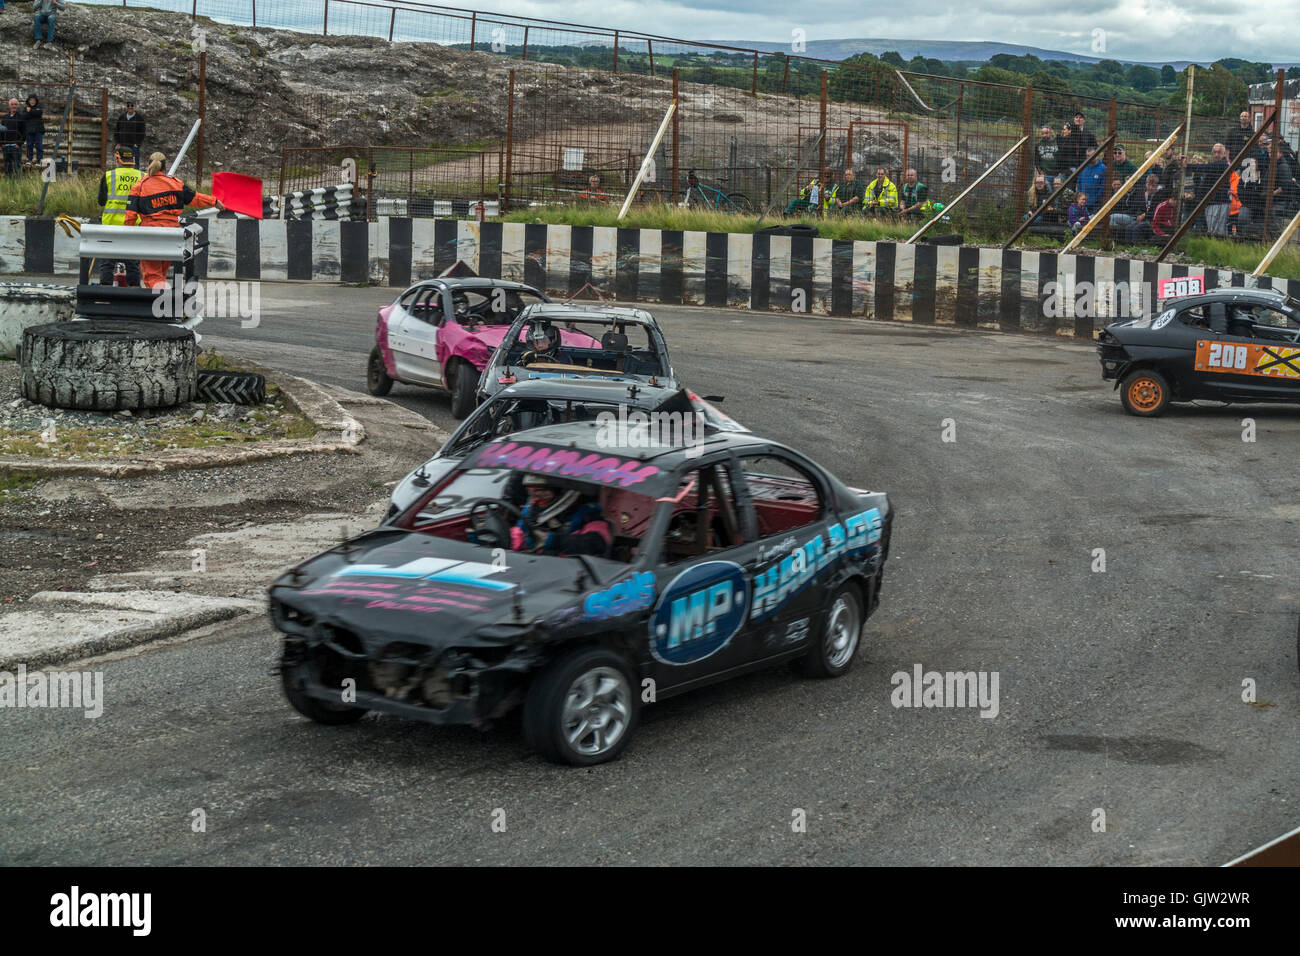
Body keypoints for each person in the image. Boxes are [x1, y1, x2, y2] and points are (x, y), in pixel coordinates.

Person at [124, 151, 221, 289]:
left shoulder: (140, 186)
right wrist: (214, 201)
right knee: (161, 273)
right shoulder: (176, 183)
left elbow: (130, 216)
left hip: (150, 235)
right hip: (172, 235)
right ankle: (163, 303)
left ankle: (160, 304)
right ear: (165, 167)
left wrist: (128, 235)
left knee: (152, 275)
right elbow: (195, 198)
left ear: (148, 164)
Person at [510, 475, 612, 557]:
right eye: (532, 492)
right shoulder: (528, 510)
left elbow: (597, 542)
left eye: (541, 492)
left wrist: (554, 541)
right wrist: (513, 539)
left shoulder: (589, 514)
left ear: (563, 491)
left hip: (569, 574)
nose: (536, 498)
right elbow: (518, 533)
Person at [97, 147, 144, 286]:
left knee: (107, 262)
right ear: (133, 159)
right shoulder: (142, 176)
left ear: (118, 159)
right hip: (133, 227)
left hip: (111, 226)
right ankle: (134, 293)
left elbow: (101, 201)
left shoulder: (108, 176)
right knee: (132, 263)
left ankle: (104, 294)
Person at [114, 100, 146, 168]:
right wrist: (118, 143)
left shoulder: (139, 118)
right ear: (126, 106)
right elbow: (116, 130)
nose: (130, 107)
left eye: (132, 105)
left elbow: (142, 133)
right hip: (122, 146)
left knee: (135, 165)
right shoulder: (121, 117)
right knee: (121, 164)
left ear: (135, 106)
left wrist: (137, 144)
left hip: (133, 147)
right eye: (128, 105)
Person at [0, 99, 23, 176]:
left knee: (17, 165)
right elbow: (1, 131)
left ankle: (19, 183)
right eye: (12, 104)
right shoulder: (5, 117)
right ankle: (8, 182)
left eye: (16, 104)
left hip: (15, 146)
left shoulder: (21, 117)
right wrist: (2, 143)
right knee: (7, 166)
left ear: (18, 106)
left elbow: (25, 132)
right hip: (6, 146)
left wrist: (19, 144)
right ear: (9, 106)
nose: (14, 106)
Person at [21, 95, 43, 166]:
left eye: (34, 100)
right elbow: (24, 116)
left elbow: (39, 113)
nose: (32, 101)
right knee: (29, 145)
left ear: (36, 101)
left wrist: (30, 111)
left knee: (39, 145)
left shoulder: (39, 107)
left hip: (38, 129)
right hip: (29, 129)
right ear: (28, 101)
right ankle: (29, 159)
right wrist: (33, 113)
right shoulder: (25, 108)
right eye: (31, 100)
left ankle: (39, 160)